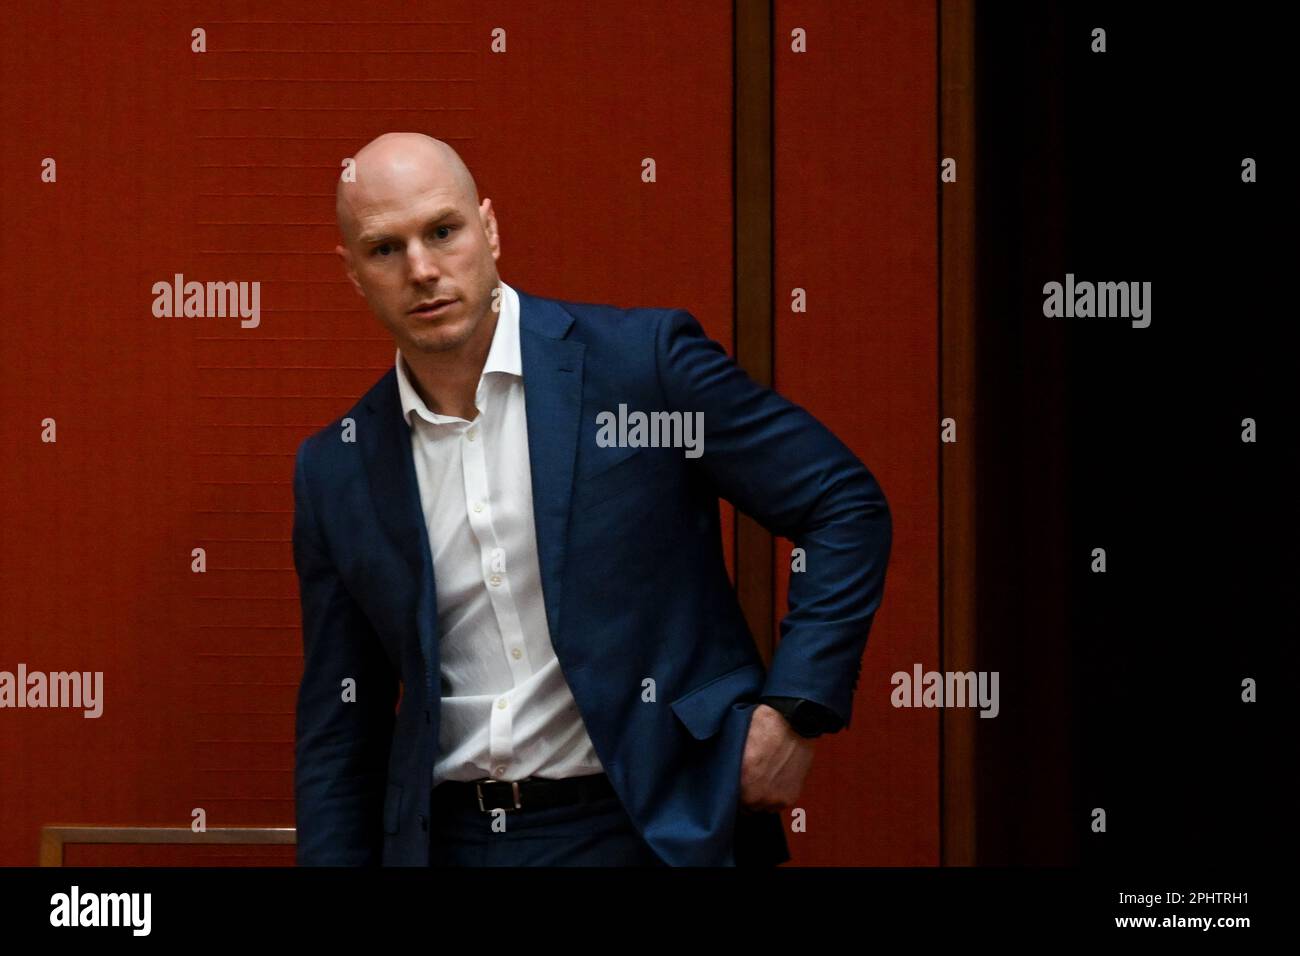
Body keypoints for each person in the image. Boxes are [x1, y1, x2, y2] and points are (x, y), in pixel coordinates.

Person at [292, 132, 892, 866]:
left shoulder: (641, 368)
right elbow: (339, 722)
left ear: (490, 228)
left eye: (443, 231)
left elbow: (842, 503)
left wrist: (795, 710)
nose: (422, 269)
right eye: (385, 249)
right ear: (352, 273)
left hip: (659, 829)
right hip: (459, 842)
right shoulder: (337, 469)